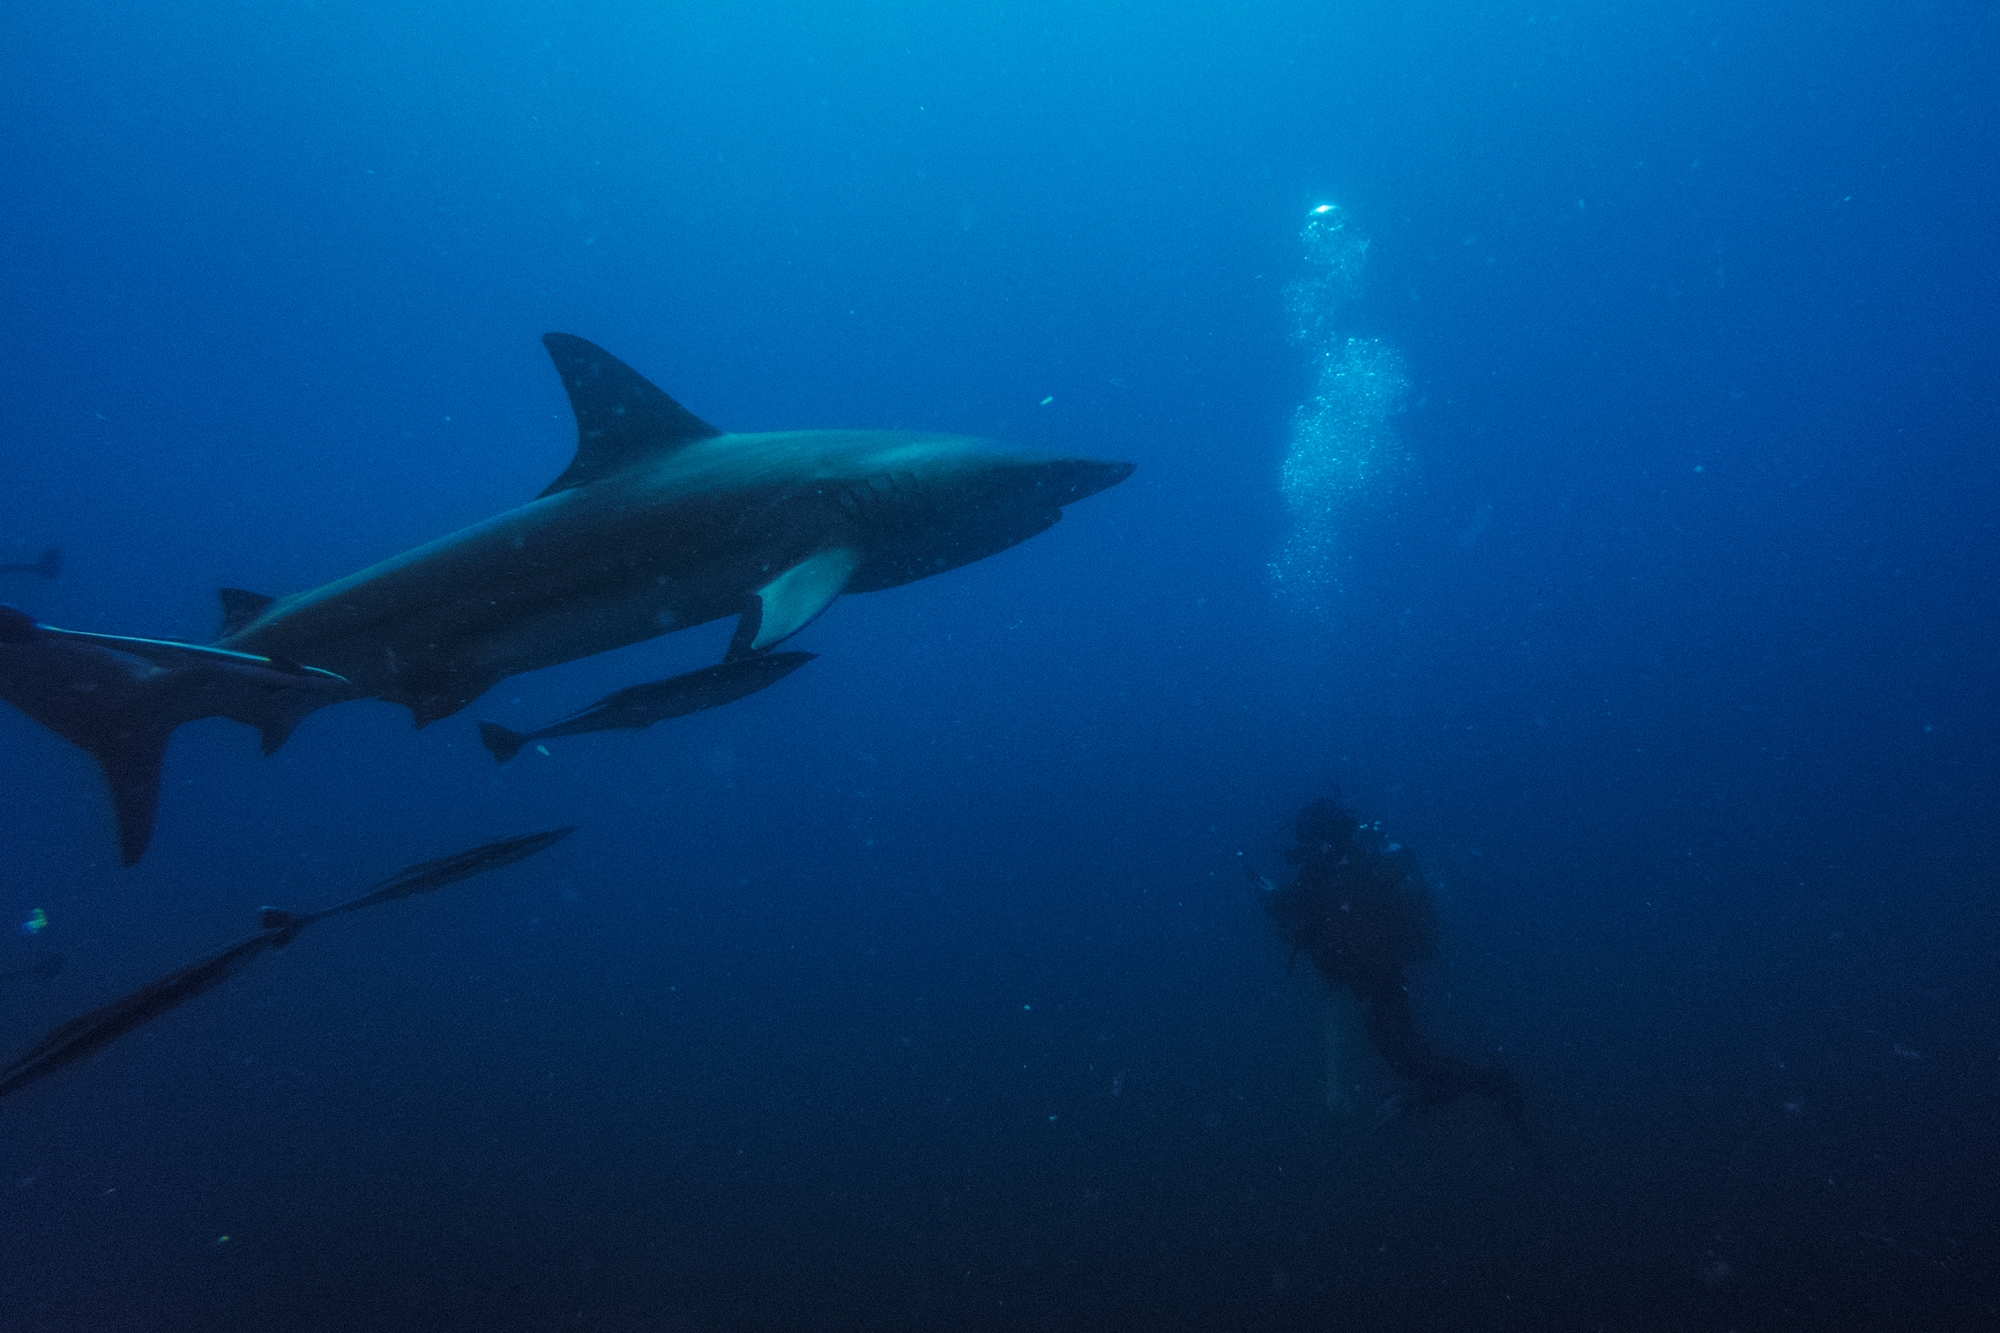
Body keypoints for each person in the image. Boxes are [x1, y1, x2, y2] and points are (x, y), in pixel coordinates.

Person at [1255, 795, 1531, 1144]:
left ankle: (1488, 1085)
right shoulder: (1347, 869)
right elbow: (1320, 920)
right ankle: (1456, 1090)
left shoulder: (1340, 876)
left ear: (1323, 841)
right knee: (1406, 1056)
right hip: (1376, 976)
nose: (1304, 849)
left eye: (1310, 841)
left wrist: (1282, 908)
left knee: (1407, 1058)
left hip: (1375, 978)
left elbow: (1320, 928)